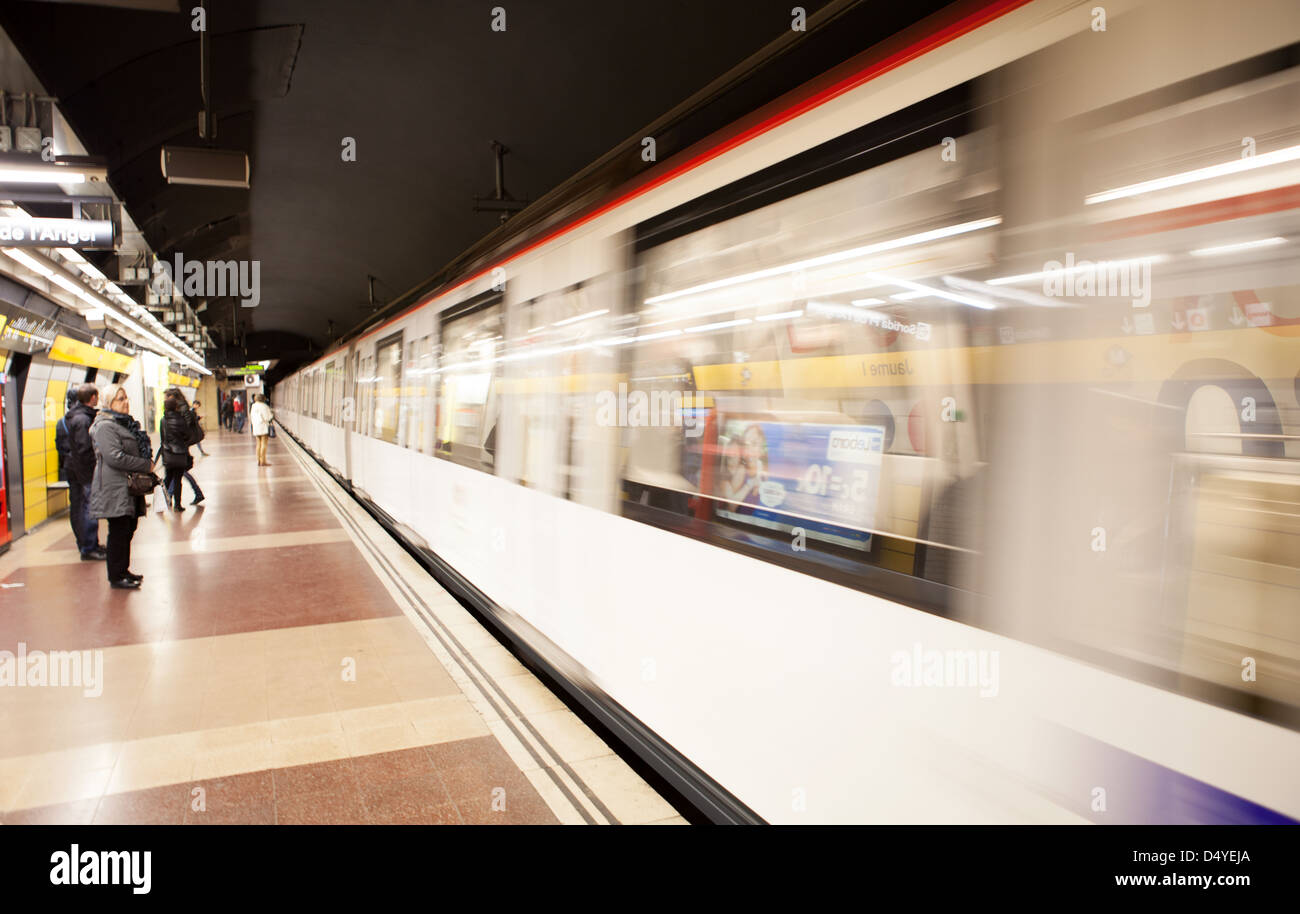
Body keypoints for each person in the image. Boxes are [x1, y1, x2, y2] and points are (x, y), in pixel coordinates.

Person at [89, 385, 153, 589]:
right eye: (120, 399)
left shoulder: (123, 424)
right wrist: (145, 465)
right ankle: (116, 576)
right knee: (119, 530)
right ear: (109, 403)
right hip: (113, 486)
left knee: (128, 527)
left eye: (126, 397)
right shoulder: (105, 426)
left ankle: (123, 570)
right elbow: (114, 457)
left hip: (126, 486)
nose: (125, 402)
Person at [64, 384, 105, 560]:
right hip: (86, 472)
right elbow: (84, 449)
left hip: (84, 470)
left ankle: (92, 544)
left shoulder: (81, 416)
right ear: (93, 397)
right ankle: (89, 547)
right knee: (90, 508)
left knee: (88, 507)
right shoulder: (82, 420)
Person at [160, 387, 205, 505]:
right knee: (178, 472)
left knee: (180, 471)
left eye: (167, 397)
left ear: (173, 397)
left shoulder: (181, 408)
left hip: (180, 445)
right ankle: (170, 495)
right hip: (177, 445)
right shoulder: (179, 408)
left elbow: (186, 426)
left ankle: (171, 496)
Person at [158, 391, 195, 512]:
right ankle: (178, 505)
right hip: (180, 454)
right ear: (176, 407)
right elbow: (187, 435)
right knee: (178, 480)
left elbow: (162, 438)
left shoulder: (163, 421)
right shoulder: (181, 420)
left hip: (168, 454)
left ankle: (161, 502)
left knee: (167, 478)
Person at [249, 393, 274, 466]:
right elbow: (267, 417)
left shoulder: (253, 406)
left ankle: (258, 460)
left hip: (256, 427)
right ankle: (263, 461)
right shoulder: (264, 406)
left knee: (258, 444)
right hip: (263, 427)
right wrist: (271, 415)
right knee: (264, 444)